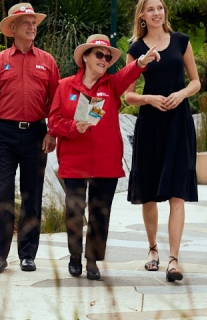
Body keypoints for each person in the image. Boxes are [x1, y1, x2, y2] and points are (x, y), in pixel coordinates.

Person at [48, 34, 160, 281]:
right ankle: (75, 256)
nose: (104, 59)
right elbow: (54, 122)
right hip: (74, 161)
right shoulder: (65, 86)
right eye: (99, 54)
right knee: (74, 212)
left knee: (101, 213)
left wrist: (142, 61)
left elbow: (129, 74)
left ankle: (92, 260)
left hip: (106, 161)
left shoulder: (111, 85)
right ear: (85, 57)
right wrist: (72, 127)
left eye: (108, 56)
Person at [0, 3, 60, 274]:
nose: (32, 26)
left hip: (37, 134)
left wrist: (52, 131)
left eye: (34, 22)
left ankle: (27, 255)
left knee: (32, 195)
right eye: (26, 22)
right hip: (5, 134)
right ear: (13, 29)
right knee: (2, 193)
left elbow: (56, 102)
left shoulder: (47, 61)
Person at [124, 0, 201, 283]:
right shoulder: (137, 49)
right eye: (150, 10)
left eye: (160, 8)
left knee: (176, 192)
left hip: (178, 123)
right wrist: (150, 99)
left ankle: (174, 259)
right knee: (149, 193)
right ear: (141, 16)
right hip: (151, 124)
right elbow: (127, 95)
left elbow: (195, 81)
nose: (157, 13)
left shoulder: (181, 41)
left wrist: (181, 94)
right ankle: (153, 249)